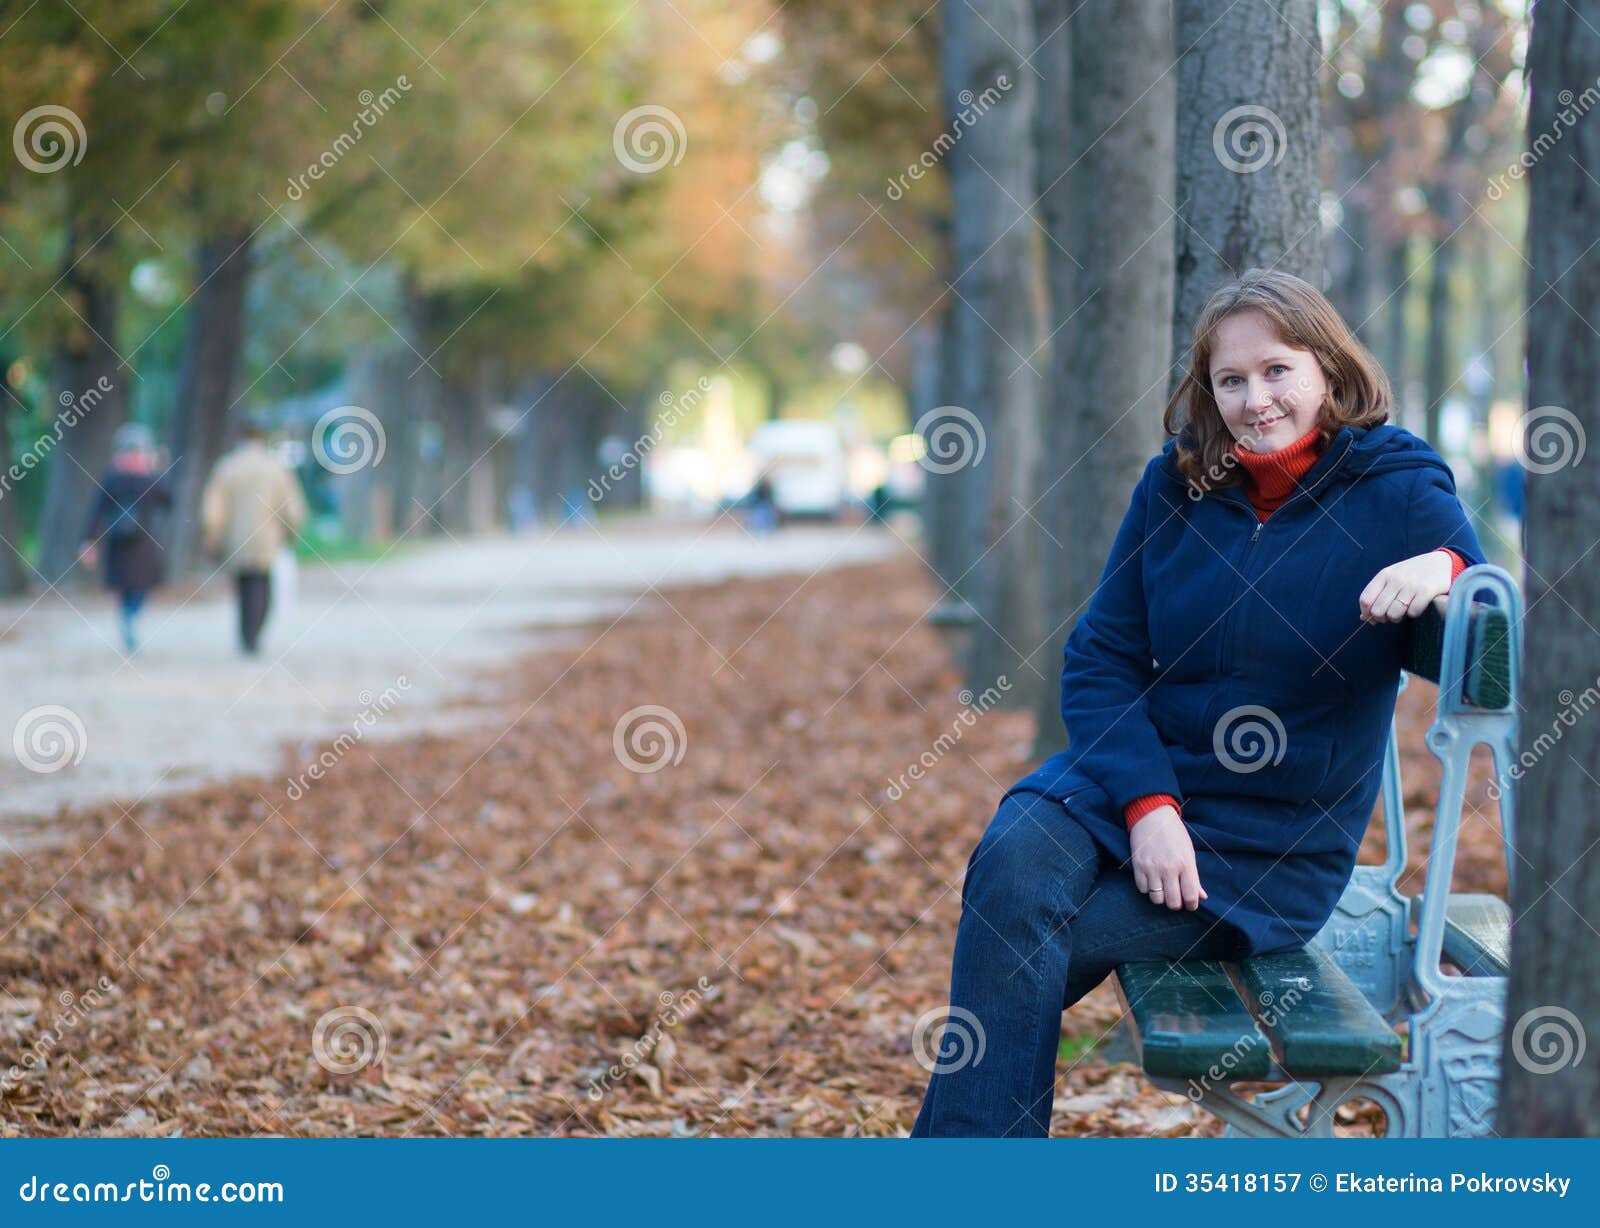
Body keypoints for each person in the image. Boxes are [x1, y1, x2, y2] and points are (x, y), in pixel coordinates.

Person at [911, 269, 1484, 1138]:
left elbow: (1491, 601)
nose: (1256, 401)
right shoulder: (1176, 486)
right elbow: (1100, 655)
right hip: (1127, 788)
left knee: (1023, 936)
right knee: (1014, 864)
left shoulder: (1396, 487)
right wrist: (1149, 806)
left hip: (1263, 848)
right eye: (1232, 379)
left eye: (1277, 370)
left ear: (1328, 368)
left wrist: (1440, 569)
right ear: (1208, 391)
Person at [200, 417, 308, 655]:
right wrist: (291, 532)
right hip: (266, 539)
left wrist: (214, 535)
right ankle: (255, 635)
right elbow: (291, 507)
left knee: (243, 587)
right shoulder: (275, 468)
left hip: (236, 539)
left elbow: (214, 508)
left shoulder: (227, 467)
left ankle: (246, 635)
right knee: (262, 587)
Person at [78, 423, 172, 653]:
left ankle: (128, 618)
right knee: (129, 588)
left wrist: (155, 470)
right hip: (127, 544)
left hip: (135, 544)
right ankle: (128, 619)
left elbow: (169, 500)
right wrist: (88, 541)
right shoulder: (123, 479)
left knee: (136, 588)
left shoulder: (138, 478)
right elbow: (96, 510)